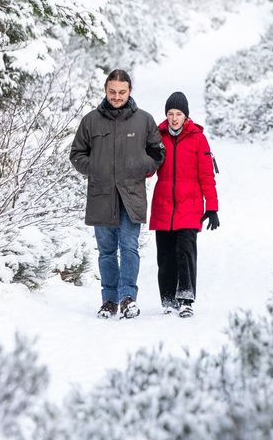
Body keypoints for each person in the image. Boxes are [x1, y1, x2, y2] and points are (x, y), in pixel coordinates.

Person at [70, 69, 165, 319]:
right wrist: (96, 169)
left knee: (129, 247)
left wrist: (141, 166)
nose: (116, 96)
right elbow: (77, 154)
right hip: (101, 195)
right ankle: (109, 301)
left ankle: (127, 298)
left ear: (130, 91)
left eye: (122, 92)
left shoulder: (144, 120)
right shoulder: (91, 121)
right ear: (105, 90)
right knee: (107, 252)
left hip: (131, 195)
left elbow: (158, 153)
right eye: (112, 91)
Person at [149, 91, 219, 318]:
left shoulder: (198, 139)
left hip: (189, 206)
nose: (174, 118)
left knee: (185, 253)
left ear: (186, 115)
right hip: (164, 205)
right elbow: (148, 171)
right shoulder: (157, 137)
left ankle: (186, 298)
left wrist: (213, 207)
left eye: (178, 113)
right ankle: (168, 300)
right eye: (170, 113)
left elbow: (207, 175)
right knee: (165, 256)